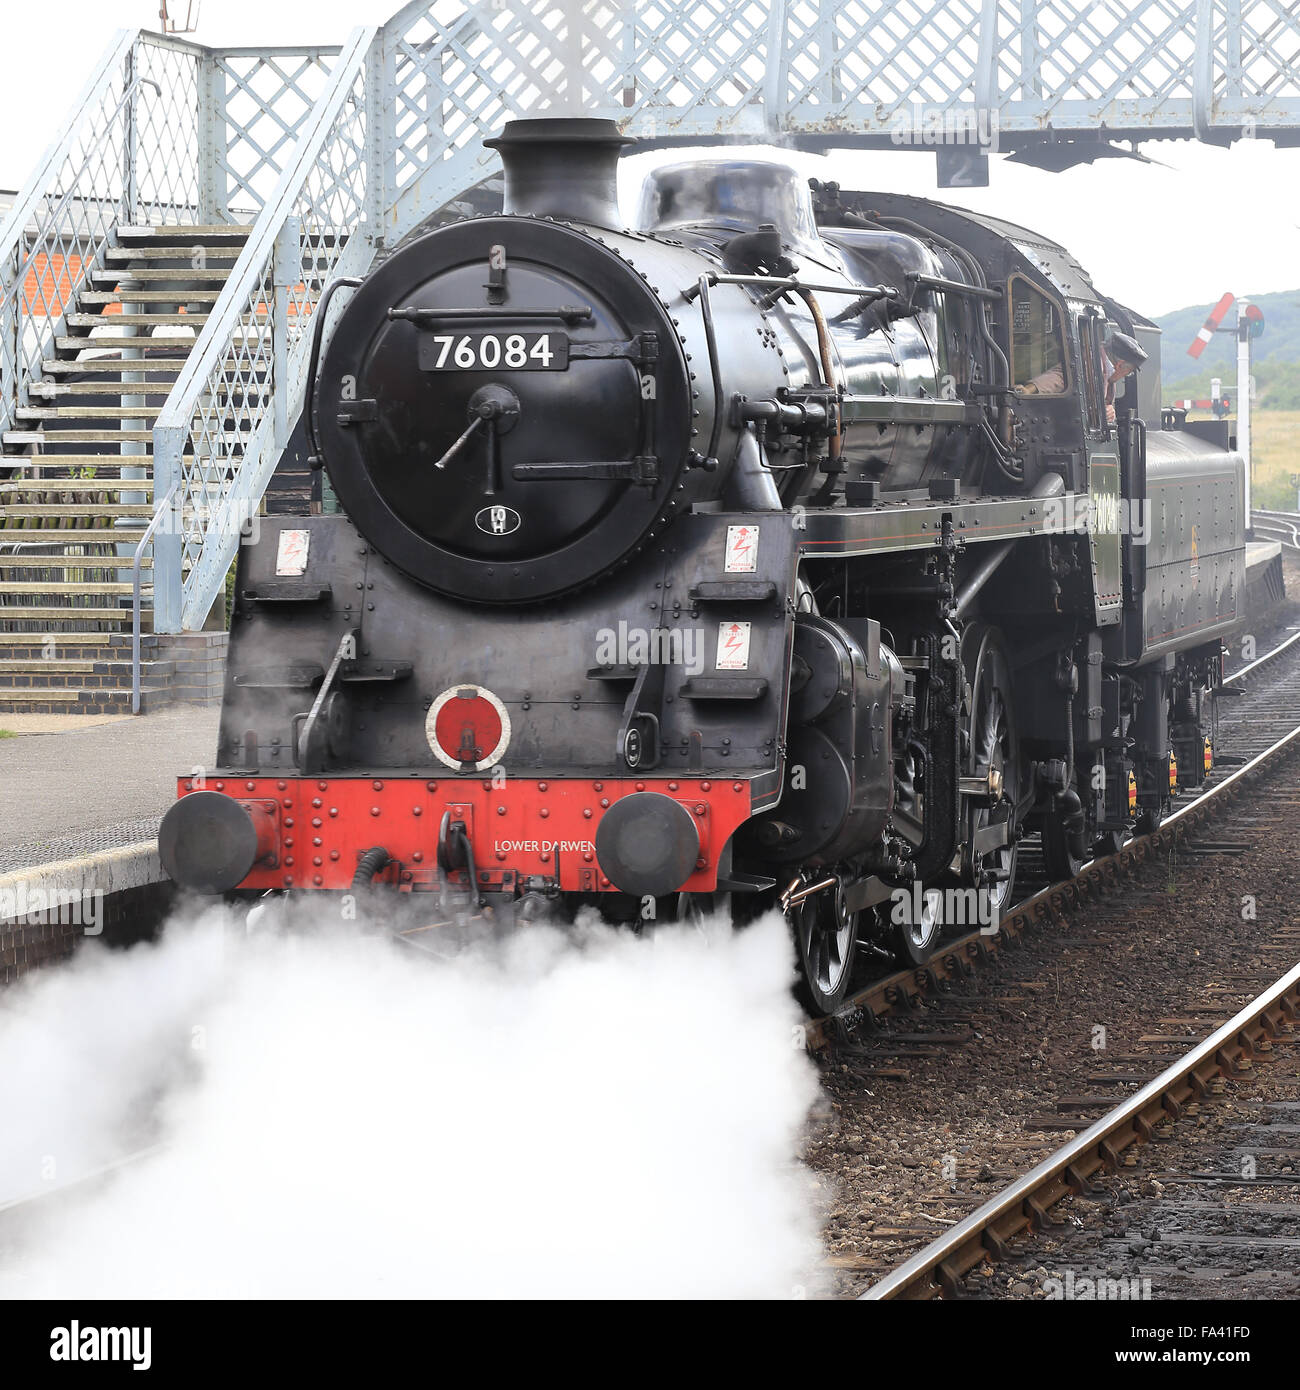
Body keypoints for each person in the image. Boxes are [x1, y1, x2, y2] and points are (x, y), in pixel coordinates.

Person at [1102, 331, 1148, 424]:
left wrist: (1110, 412)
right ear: (1119, 365)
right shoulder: (1093, 370)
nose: (1124, 377)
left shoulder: (1107, 373)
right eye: (1128, 372)